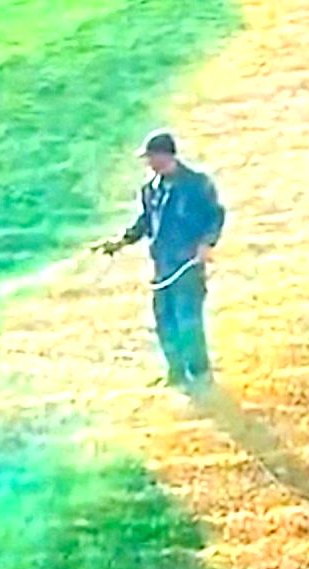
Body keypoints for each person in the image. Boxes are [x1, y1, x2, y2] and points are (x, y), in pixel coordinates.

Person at [96, 130, 225, 392]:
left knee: (188, 318)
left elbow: (215, 216)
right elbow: (145, 222)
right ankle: (176, 371)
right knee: (164, 319)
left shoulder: (197, 184)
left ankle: (199, 373)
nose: (148, 163)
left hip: (187, 263)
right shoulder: (150, 189)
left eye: (151, 157)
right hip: (162, 264)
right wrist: (121, 241)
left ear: (166, 155)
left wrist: (207, 244)